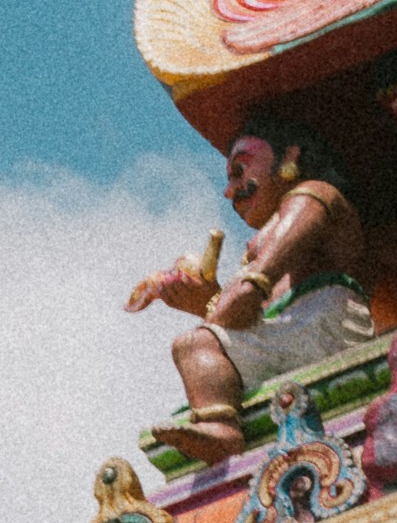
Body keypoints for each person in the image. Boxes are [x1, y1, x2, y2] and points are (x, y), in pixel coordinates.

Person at [126, 132, 369, 448]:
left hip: (324, 324)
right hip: (291, 333)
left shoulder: (313, 194)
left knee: (195, 343)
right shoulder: (272, 230)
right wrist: (208, 300)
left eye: (240, 170)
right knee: (193, 347)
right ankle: (217, 425)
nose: (230, 192)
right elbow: (245, 314)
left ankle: (220, 429)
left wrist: (249, 285)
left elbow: (251, 292)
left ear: (289, 157)